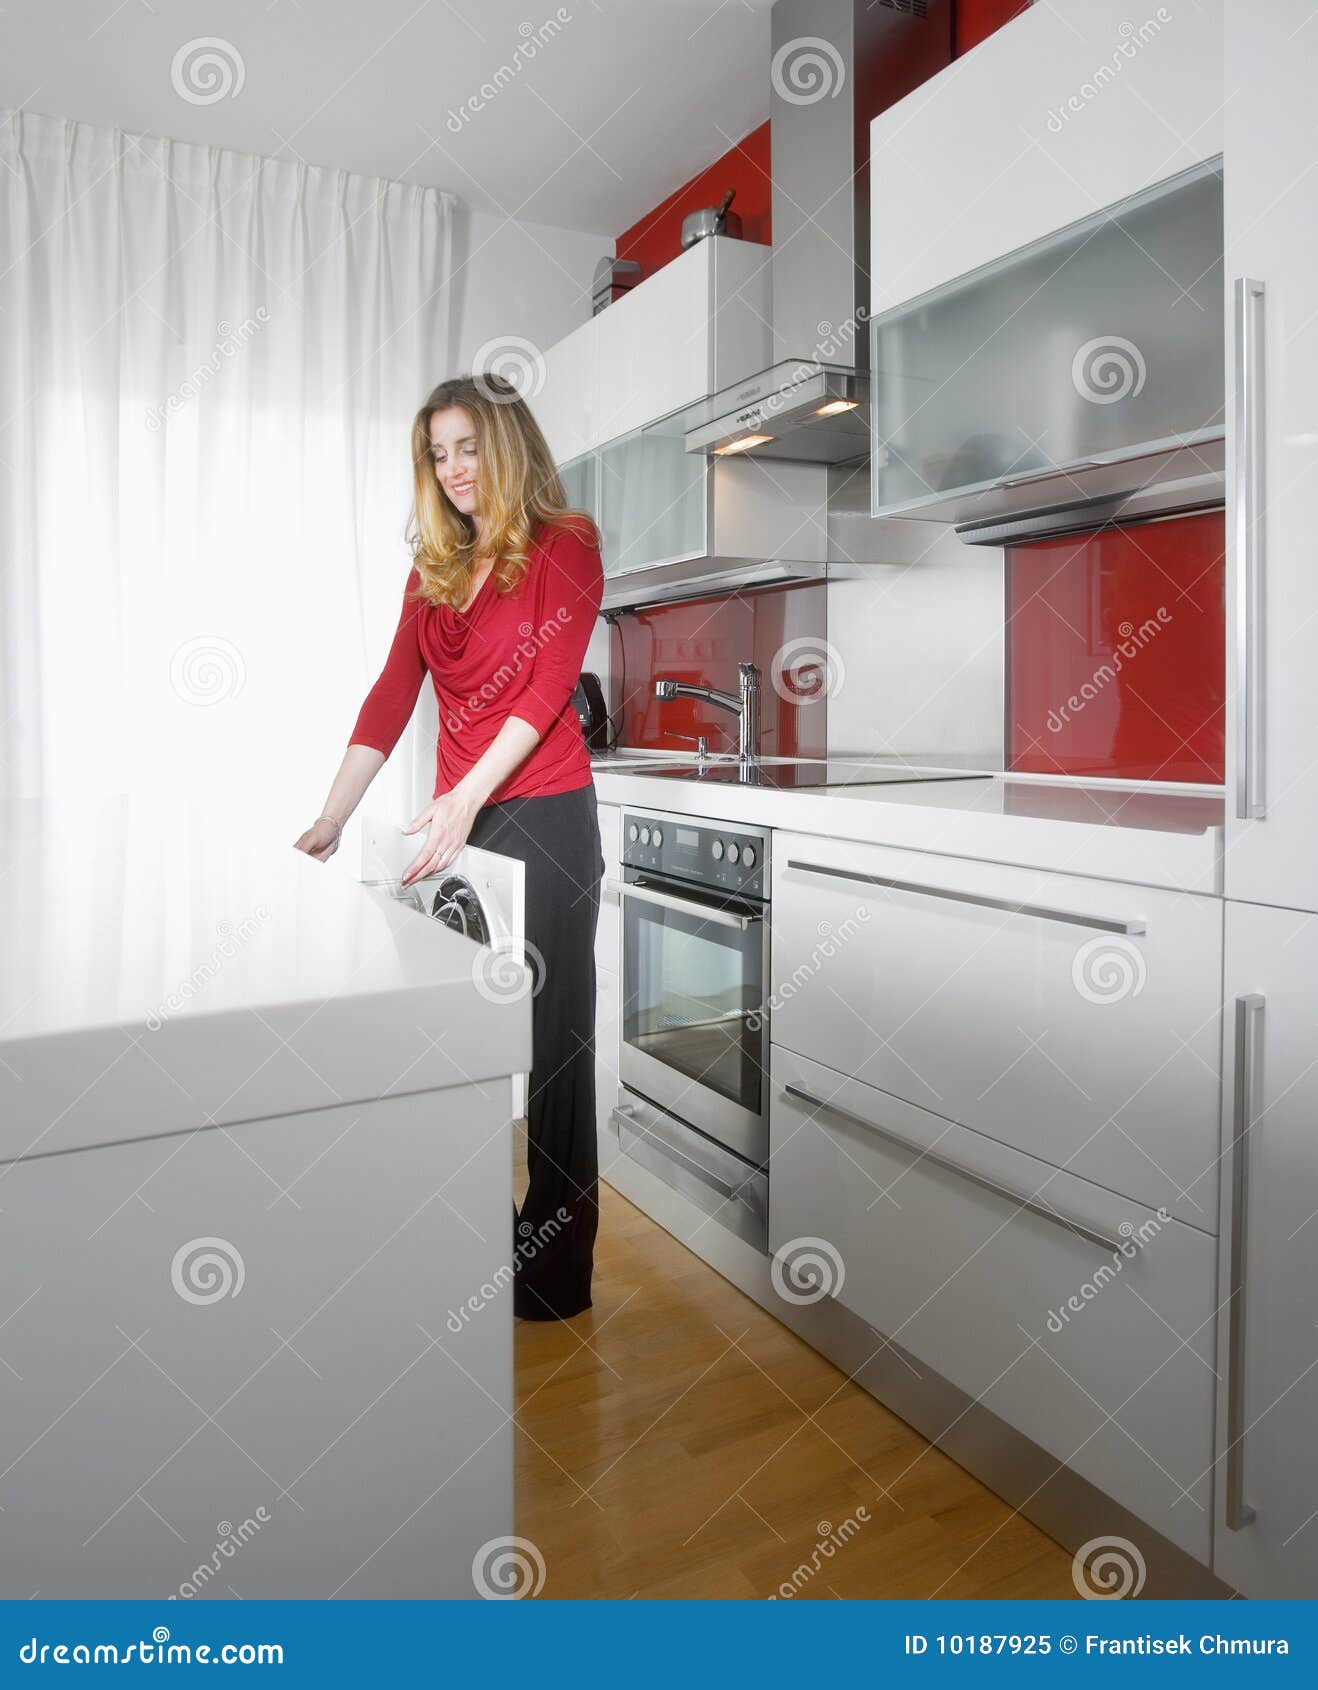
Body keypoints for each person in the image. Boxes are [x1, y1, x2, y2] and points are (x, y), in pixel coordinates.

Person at [294, 372, 606, 1321]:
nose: (455, 469)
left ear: (506, 445)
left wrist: (467, 797)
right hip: (458, 826)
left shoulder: (566, 544)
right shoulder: (432, 572)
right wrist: (331, 817)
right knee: (456, 1035)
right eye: (438, 454)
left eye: (469, 447)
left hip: (542, 814)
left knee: (552, 1043)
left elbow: (546, 688)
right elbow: (392, 697)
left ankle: (554, 1272)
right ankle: (479, 1238)